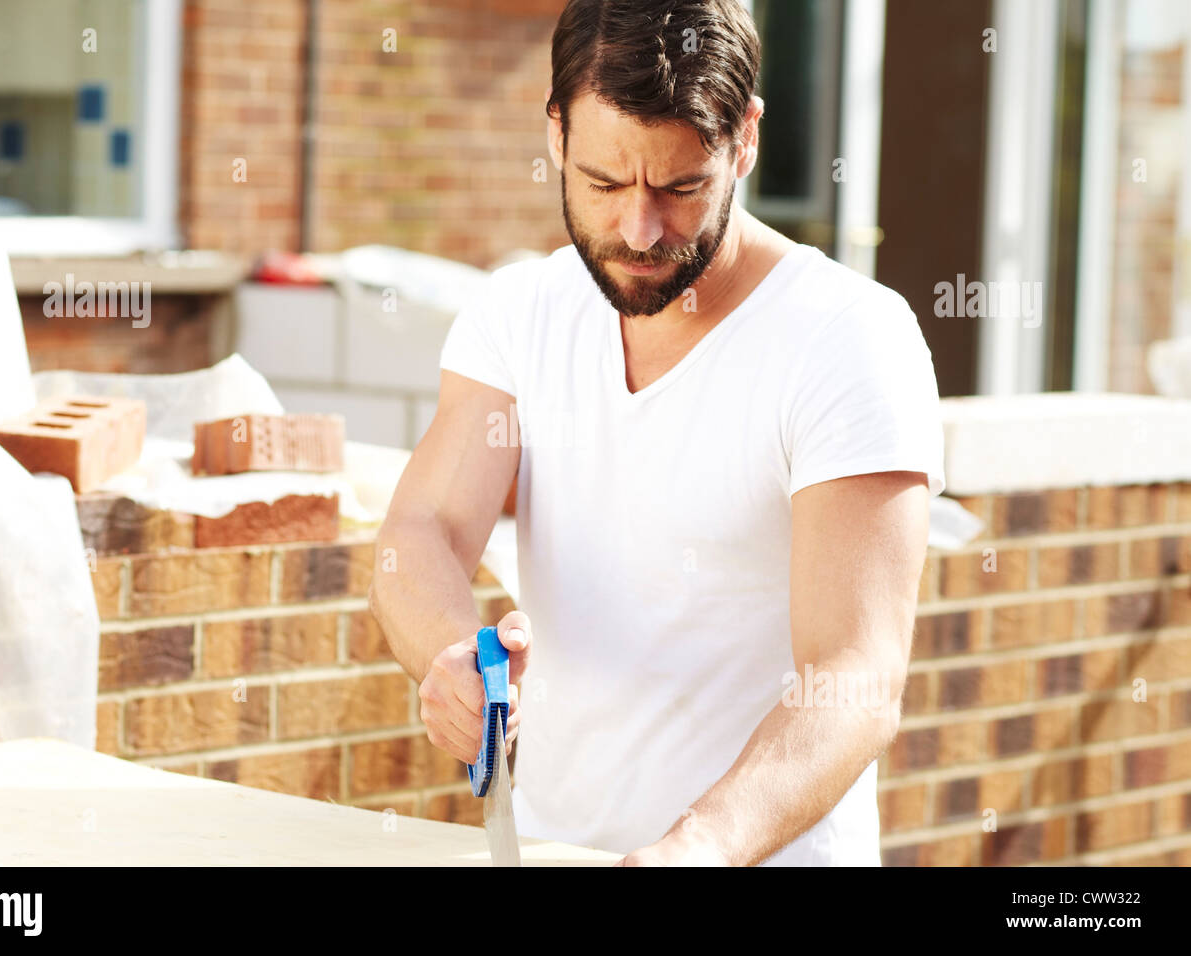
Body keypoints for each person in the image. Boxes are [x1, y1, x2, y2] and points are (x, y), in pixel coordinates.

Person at [369, 0, 944, 866]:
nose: (639, 231)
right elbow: (424, 531)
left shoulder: (848, 339)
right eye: (604, 184)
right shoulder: (518, 316)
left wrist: (700, 847)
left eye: (680, 188)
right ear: (557, 133)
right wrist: (450, 655)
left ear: (744, 141)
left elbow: (855, 675)